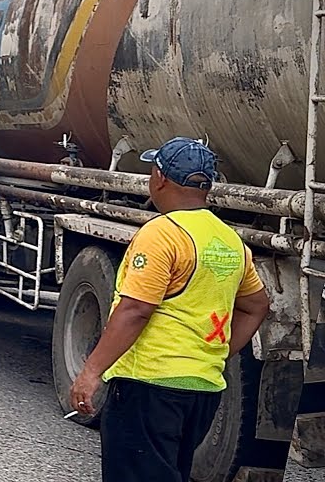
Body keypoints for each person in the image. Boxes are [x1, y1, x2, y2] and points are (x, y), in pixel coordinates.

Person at [70, 137, 271, 482]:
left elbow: (135, 310)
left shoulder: (162, 234)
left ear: (159, 178)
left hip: (150, 386)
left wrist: (90, 373)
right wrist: (217, 353)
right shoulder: (229, 240)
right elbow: (256, 306)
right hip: (202, 390)